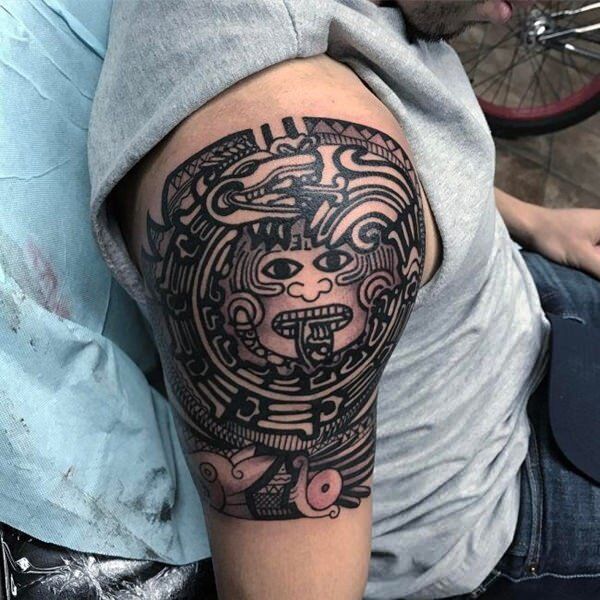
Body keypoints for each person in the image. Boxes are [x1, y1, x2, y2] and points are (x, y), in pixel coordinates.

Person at [85, 1, 600, 599]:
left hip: (515, 299)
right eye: (283, 272)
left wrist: (525, 219)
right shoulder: (293, 150)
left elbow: (392, 161)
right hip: (492, 509)